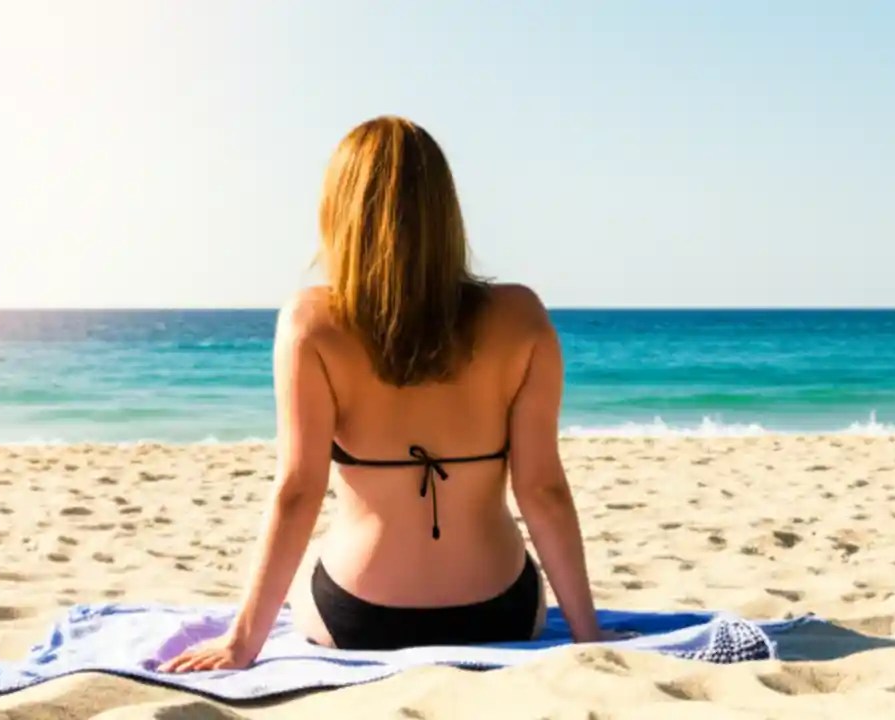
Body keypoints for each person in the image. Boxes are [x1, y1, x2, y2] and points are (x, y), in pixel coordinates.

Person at [160, 116, 600, 673]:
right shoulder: (521, 316)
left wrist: (242, 642)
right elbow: (543, 490)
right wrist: (590, 636)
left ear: (338, 213)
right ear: (446, 211)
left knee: (317, 557)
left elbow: (298, 492)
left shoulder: (310, 322)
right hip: (501, 611)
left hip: (359, 617)